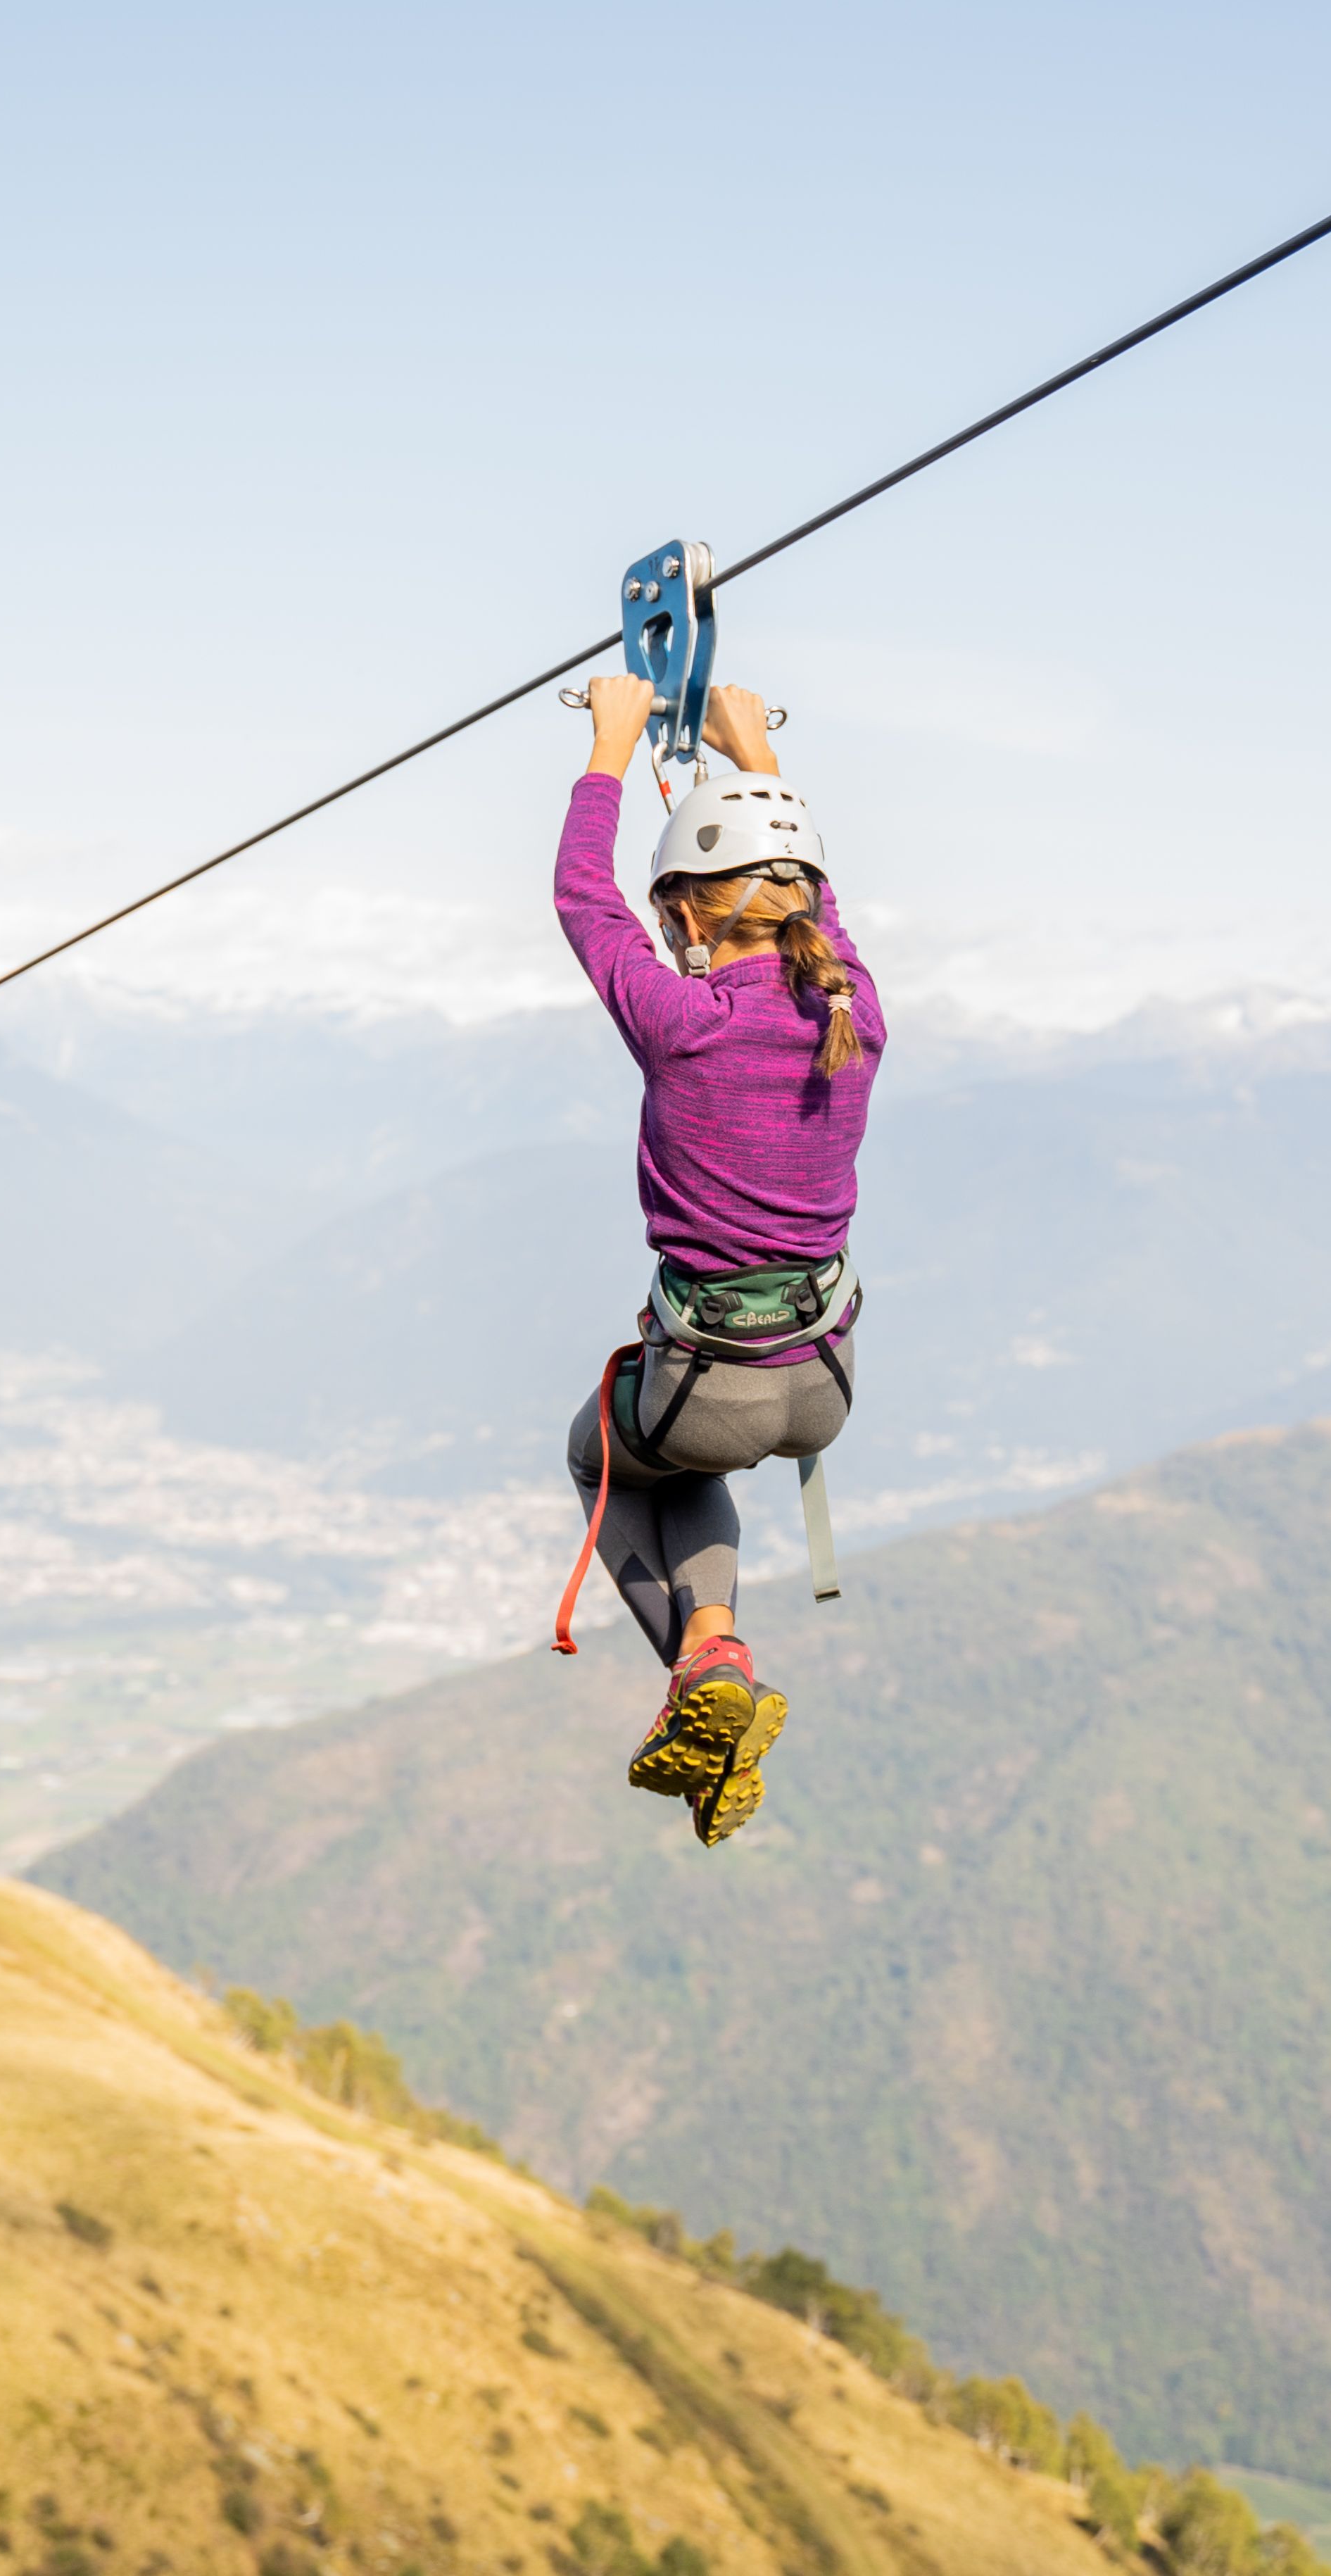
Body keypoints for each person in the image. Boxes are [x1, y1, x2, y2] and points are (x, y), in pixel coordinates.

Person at [553, 672, 882, 1847]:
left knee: (607, 1455)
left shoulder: (682, 1023)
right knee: (689, 1459)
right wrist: (756, 766)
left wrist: (610, 751)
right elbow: (817, 910)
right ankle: (713, 1662)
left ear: (686, 919)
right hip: (823, 1383)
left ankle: (708, 1673)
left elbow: (584, 901)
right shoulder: (857, 1013)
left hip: (708, 1386)